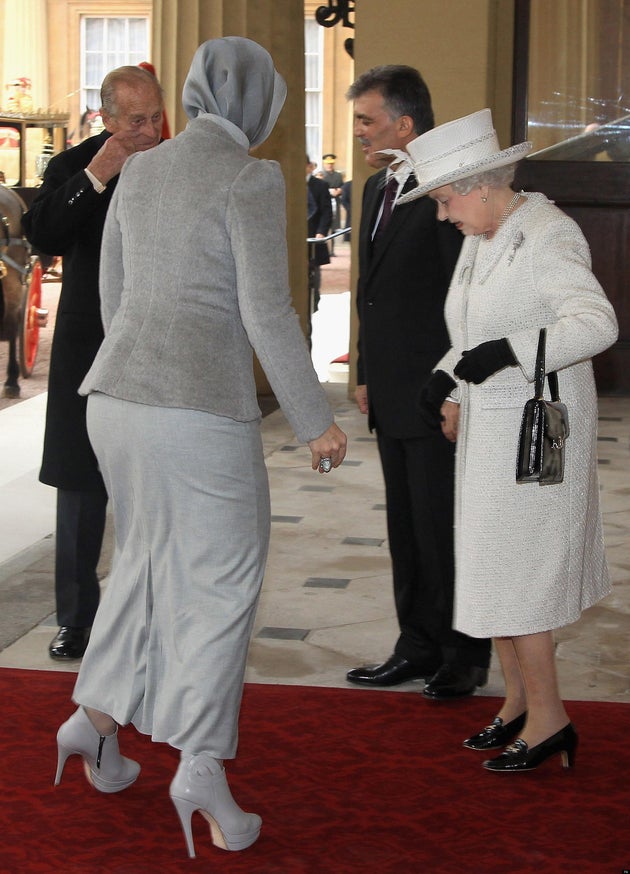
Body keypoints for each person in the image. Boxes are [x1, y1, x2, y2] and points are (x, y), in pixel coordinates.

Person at [52, 36, 347, 859]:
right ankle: (203, 767)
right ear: (260, 105)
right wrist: (313, 416)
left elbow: (113, 294)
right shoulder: (251, 177)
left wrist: (143, 368)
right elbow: (269, 311)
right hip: (197, 413)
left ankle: (94, 721)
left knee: (145, 563)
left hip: (114, 398)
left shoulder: (141, 168)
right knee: (220, 586)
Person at [407, 108, 618, 770]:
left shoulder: (550, 235)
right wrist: (443, 379)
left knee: (523, 575)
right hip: (488, 433)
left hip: (536, 439)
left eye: (445, 200)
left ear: (483, 185)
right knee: (492, 565)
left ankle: (551, 717)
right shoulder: (484, 234)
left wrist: (505, 354)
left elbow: (597, 323)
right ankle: (518, 702)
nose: (444, 215)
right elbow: (472, 332)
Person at [344, 65, 491, 697]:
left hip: (436, 389)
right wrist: (364, 370)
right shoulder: (378, 187)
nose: (358, 132)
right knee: (405, 525)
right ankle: (417, 643)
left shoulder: (448, 191)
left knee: (444, 527)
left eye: (366, 120)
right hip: (390, 388)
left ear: (405, 124)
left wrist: (456, 386)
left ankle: (463, 655)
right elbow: (369, 291)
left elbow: (468, 300)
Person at [22, 66, 165, 660]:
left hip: (158, 348)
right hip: (88, 351)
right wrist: (101, 170)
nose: (150, 131)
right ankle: (77, 619)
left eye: (156, 116)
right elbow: (45, 233)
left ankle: (149, 612)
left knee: (154, 489)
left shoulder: (175, 161)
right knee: (81, 489)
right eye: (136, 121)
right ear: (106, 118)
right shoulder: (74, 166)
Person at [307, 155, 332, 312]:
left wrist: (321, 232)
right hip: (293, 240)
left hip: (314, 237)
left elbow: (326, 212)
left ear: (309, 166)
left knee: (313, 273)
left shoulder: (320, 185)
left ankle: (314, 301)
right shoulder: (288, 182)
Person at [321, 153, 344, 251]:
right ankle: (325, 249)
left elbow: (342, 185)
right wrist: (329, 191)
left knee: (334, 227)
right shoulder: (321, 175)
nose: (329, 165)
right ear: (324, 164)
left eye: (331, 164)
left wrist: (340, 190)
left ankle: (332, 249)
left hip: (336, 201)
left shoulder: (338, 175)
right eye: (328, 164)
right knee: (325, 226)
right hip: (326, 202)